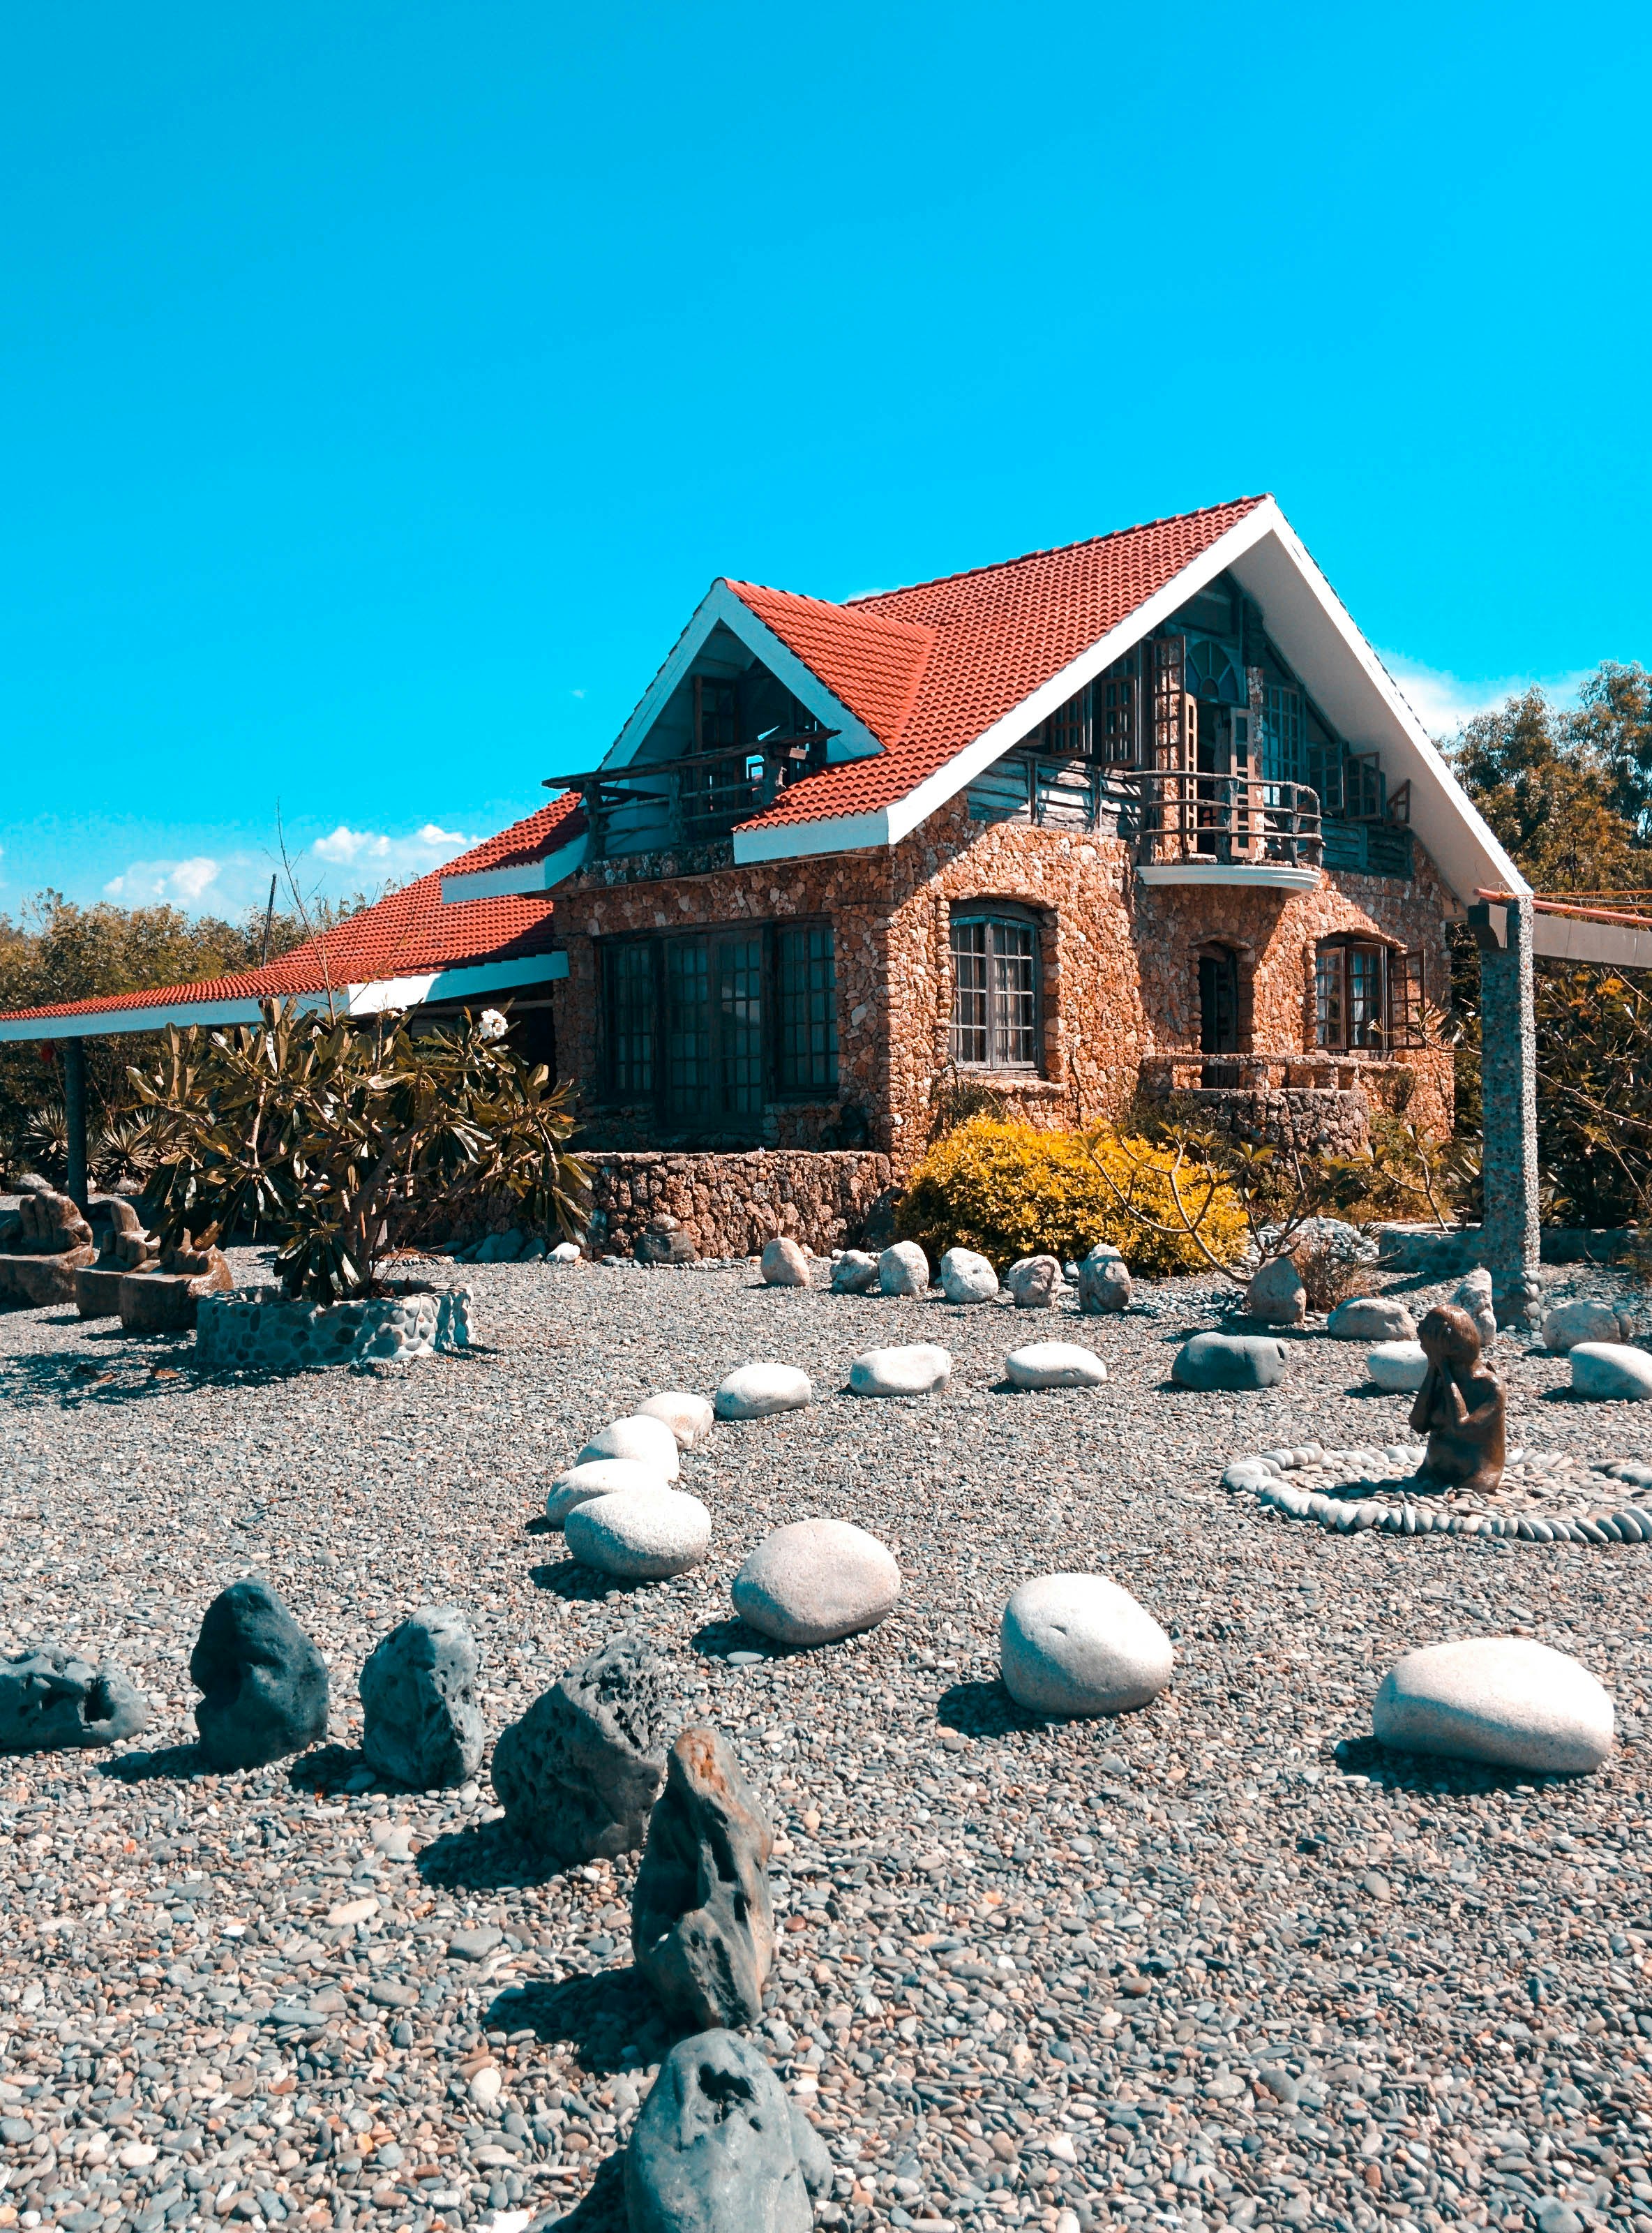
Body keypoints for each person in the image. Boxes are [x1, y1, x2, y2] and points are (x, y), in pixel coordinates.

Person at [1409, 1303, 1505, 1497]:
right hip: (1432, 1470)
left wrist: (1443, 1369)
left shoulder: (1490, 1386)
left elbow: (1461, 1426)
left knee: (1469, 1492)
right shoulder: (1437, 1378)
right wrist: (1433, 1368)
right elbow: (1418, 1424)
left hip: (1477, 1473)